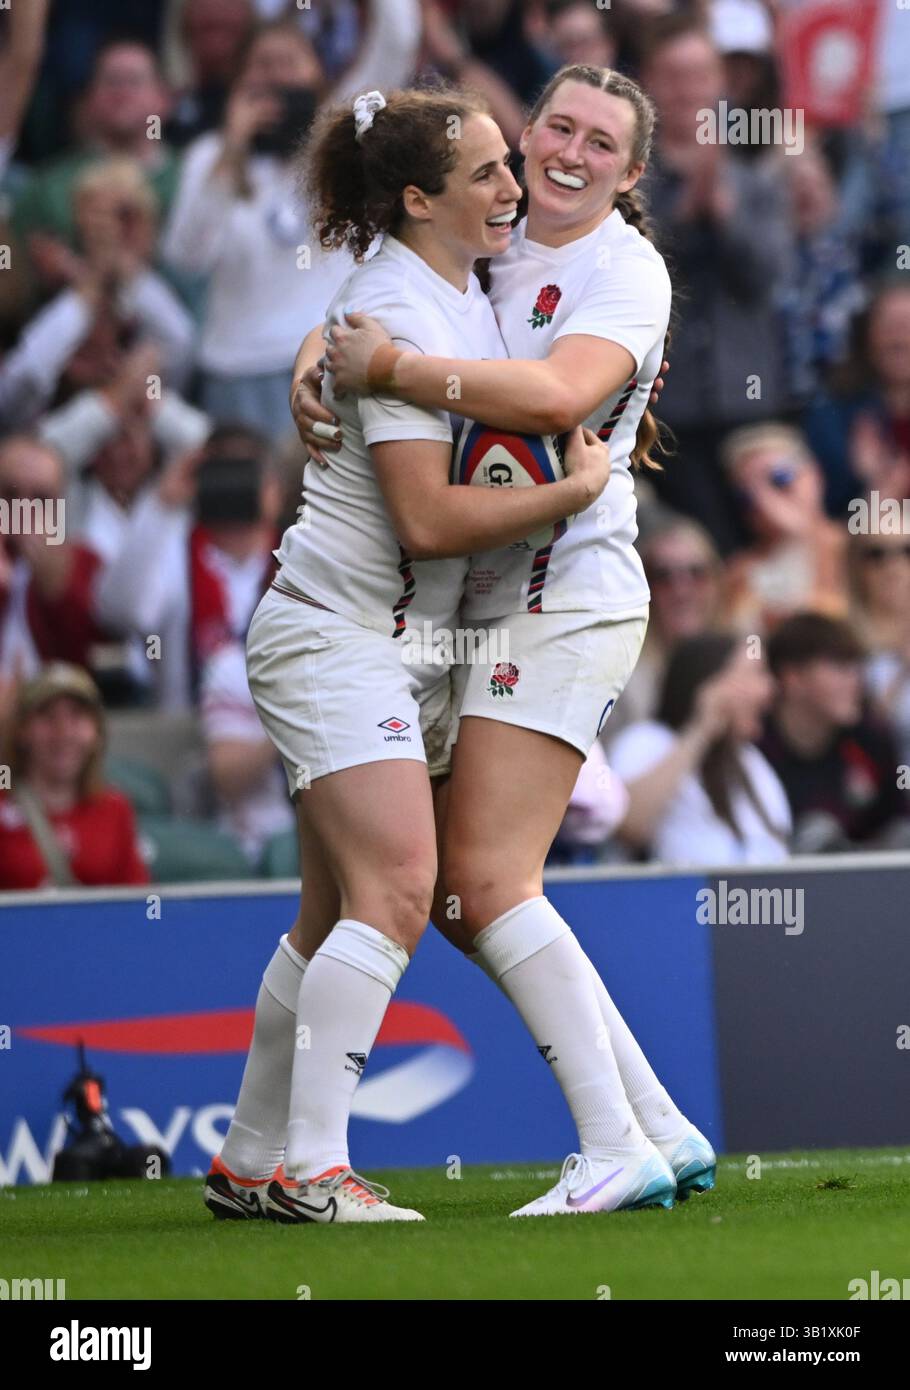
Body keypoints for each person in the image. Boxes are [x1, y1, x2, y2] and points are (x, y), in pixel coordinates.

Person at [295, 65, 715, 1219]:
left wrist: (386, 369)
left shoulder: (627, 270)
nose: (566, 154)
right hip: (477, 606)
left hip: (568, 591)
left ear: (631, 176)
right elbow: (394, 281)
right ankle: (655, 1126)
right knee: (455, 894)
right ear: (526, 130)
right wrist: (324, 348)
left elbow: (548, 399)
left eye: (600, 144)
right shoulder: (498, 228)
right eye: (556, 126)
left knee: (480, 879)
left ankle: (609, 1143)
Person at [206, 86, 613, 1225]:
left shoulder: (448, 287)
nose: (514, 188)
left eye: (506, 166)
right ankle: (314, 1172)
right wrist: (576, 491)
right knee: (395, 893)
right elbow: (427, 522)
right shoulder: (401, 303)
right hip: (336, 636)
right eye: (486, 173)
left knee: (330, 906)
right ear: (420, 199)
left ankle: (248, 1155)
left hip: (387, 645)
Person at [610, 634, 791, 866]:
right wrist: (701, 730)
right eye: (755, 673)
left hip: (754, 901)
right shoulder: (647, 741)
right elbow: (628, 824)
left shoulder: (751, 761)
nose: (769, 689)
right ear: (708, 683)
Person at [760, 613, 910, 853]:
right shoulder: (755, 749)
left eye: (857, 667)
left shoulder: (871, 739)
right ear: (793, 678)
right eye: (840, 667)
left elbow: (899, 825)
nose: (856, 680)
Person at [0, 663, 148, 890]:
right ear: (22, 730)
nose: (64, 732)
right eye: (48, 717)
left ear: (96, 732)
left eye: (77, 717)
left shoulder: (115, 808)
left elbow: (136, 901)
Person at [721, 423, 848, 634]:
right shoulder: (738, 573)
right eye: (747, 496)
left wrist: (799, 534)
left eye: (779, 479)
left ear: (815, 475)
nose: (764, 502)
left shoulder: (856, 546)